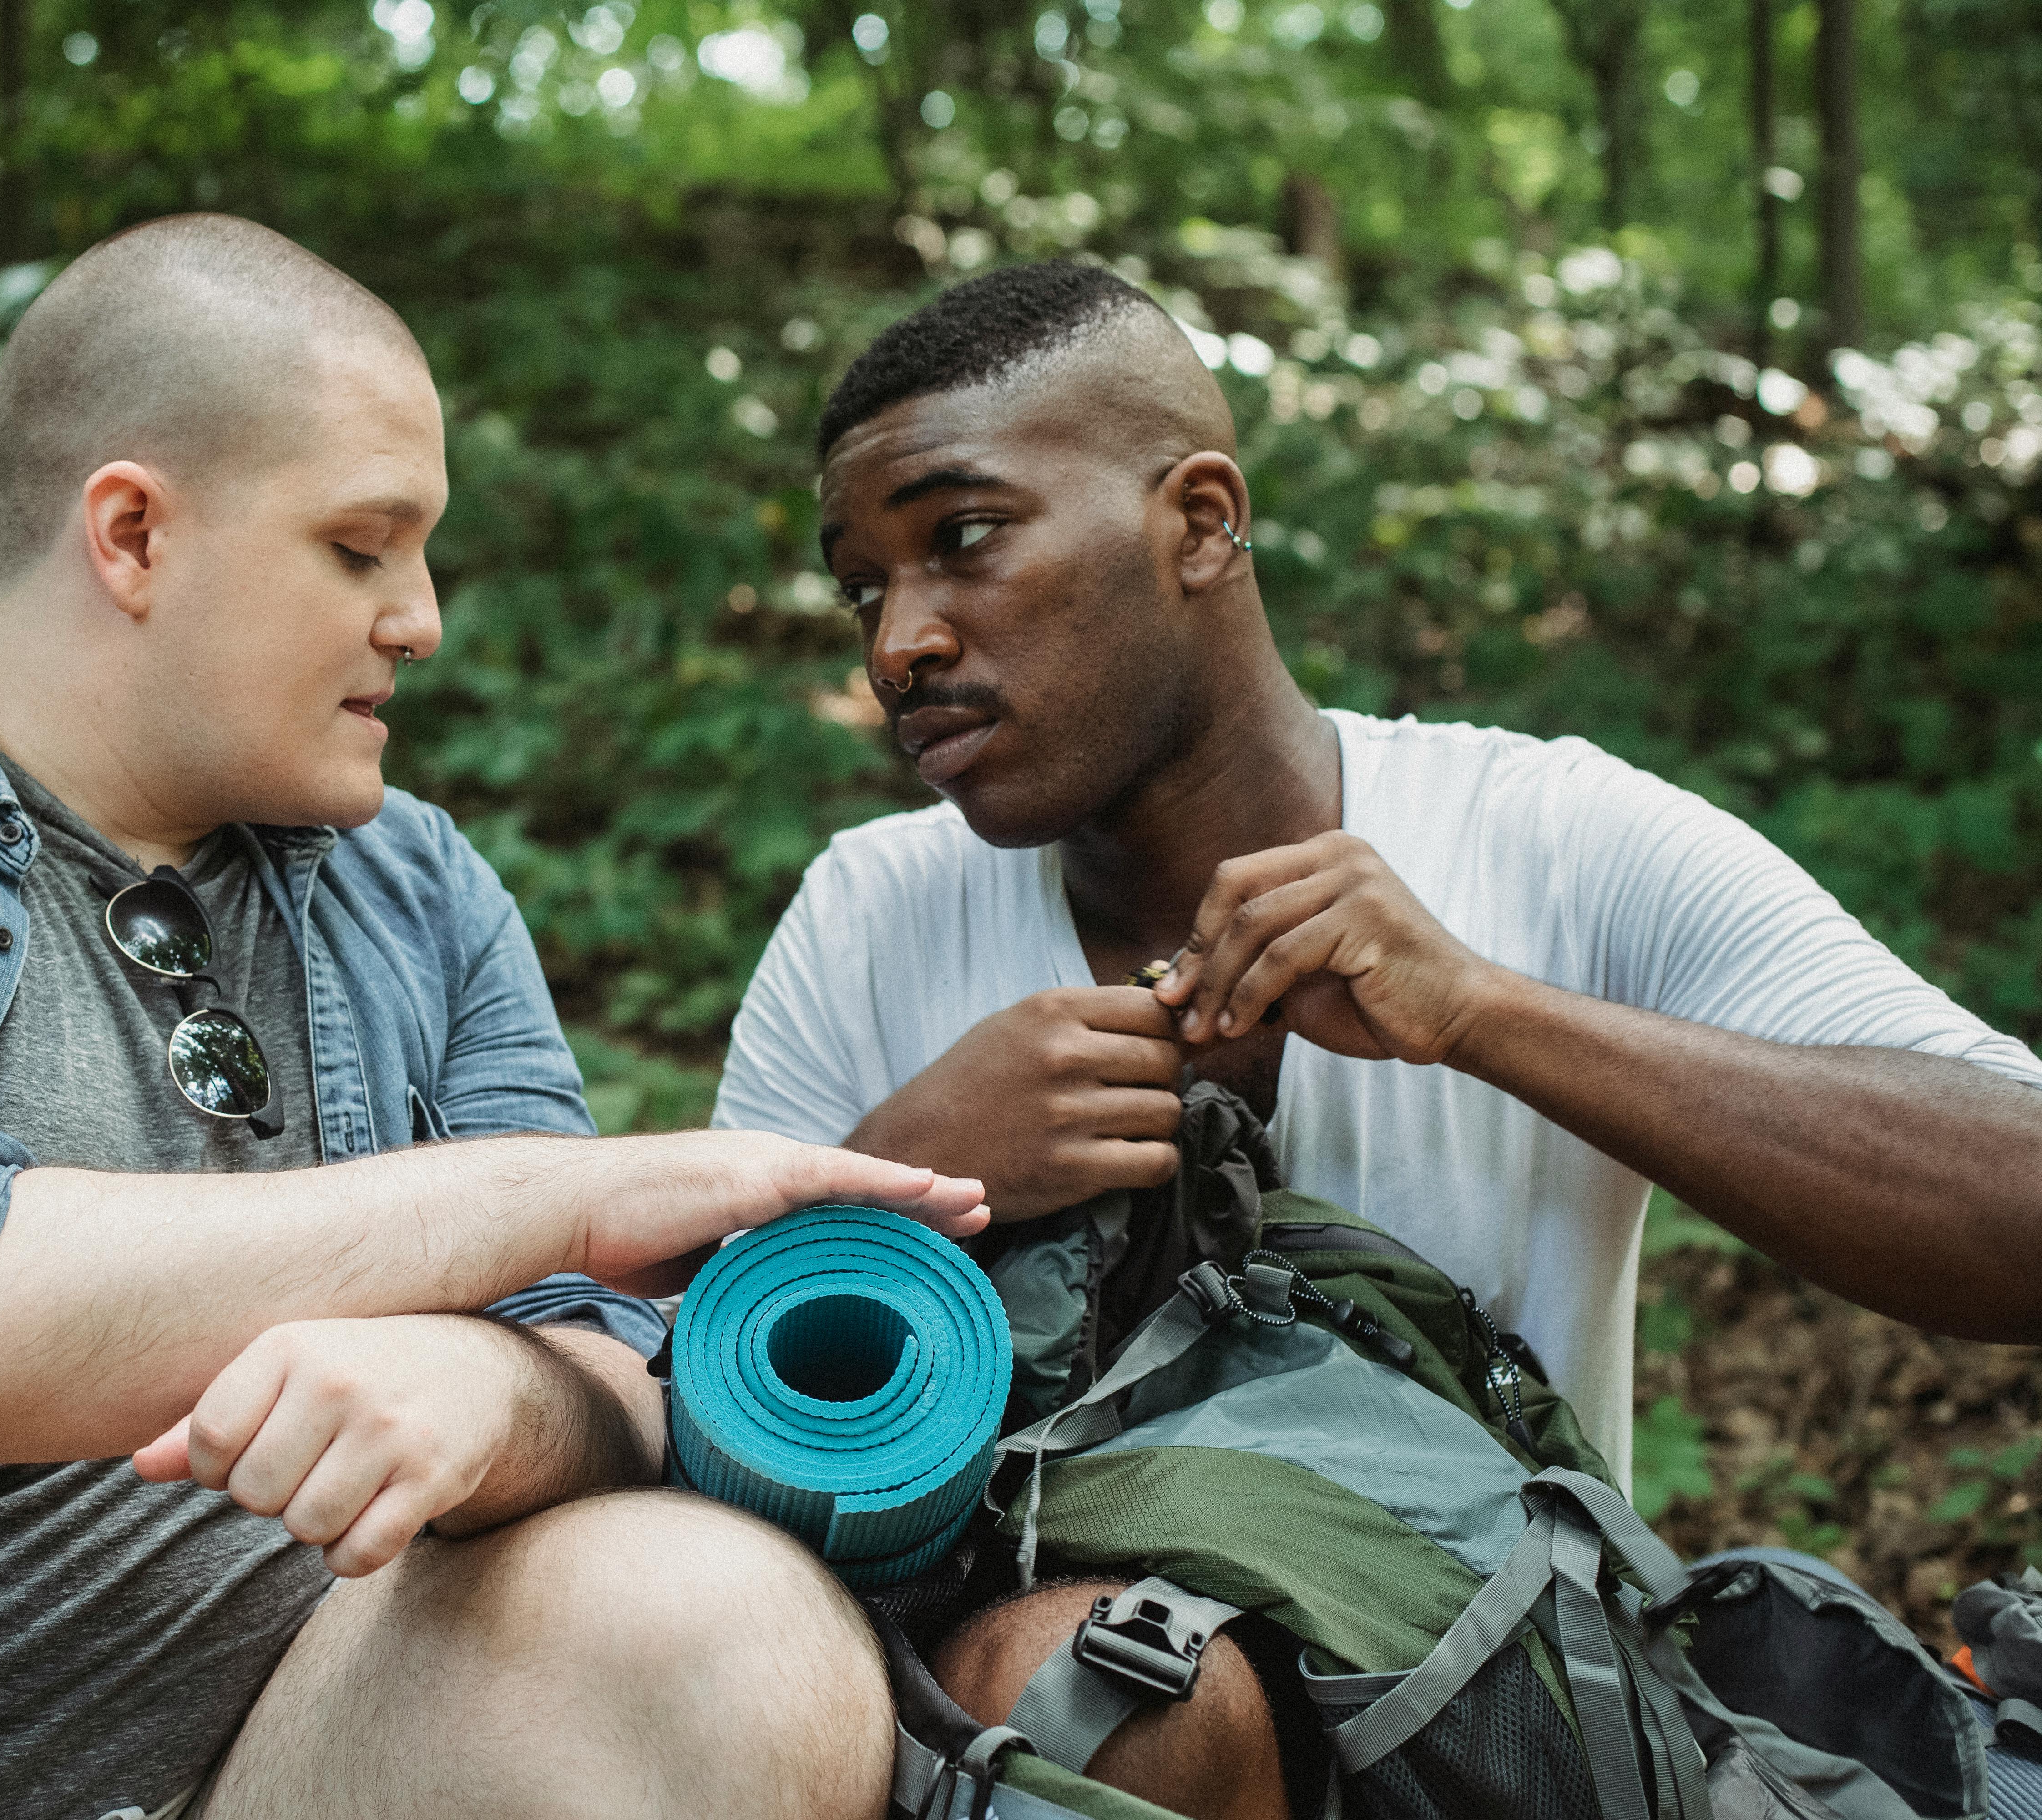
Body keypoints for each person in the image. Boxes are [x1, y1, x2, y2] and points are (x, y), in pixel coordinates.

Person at [0, 215, 995, 1820]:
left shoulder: (421, 885)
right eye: (362, 548)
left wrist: (501, 1397)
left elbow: (606, 1373)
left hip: (282, 1765)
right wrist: (556, 1198)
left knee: (717, 1629)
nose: (422, 619)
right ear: (134, 536)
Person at [714, 259, 2042, 1813]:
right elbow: (682, 1440)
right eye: (865, 588)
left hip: (1509, 1718)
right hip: (1013, 1734)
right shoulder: (870, 914)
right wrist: (897, 1178)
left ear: (1200, 522)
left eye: (964, 540)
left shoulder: (1547, 839)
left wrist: (1488, 1014)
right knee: (1099, 1692)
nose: (899, 647)